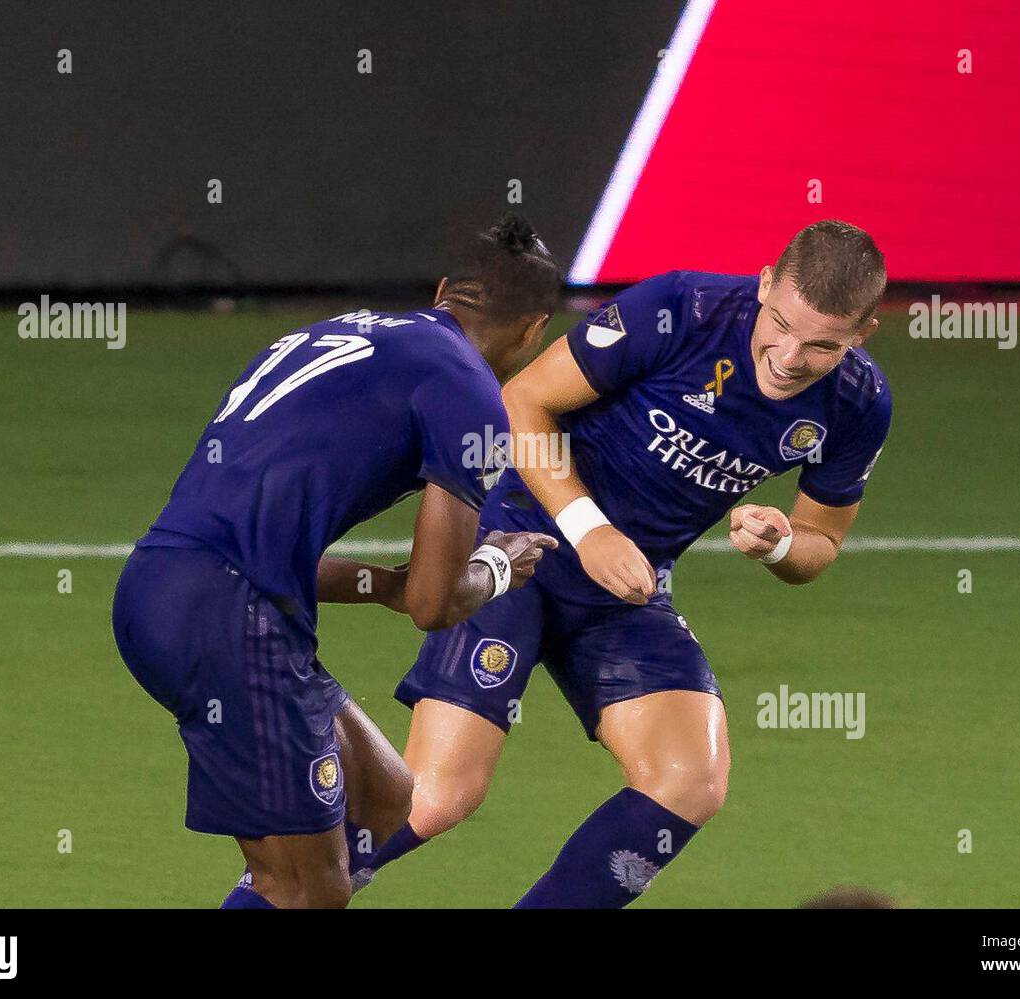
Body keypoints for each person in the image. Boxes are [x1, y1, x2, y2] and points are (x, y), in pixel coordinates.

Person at [378, 219, 893, 907]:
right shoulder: (683, 309)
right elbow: (524, 400)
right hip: (518, 539)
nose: (790, 357)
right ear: (765, 283)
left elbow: (818, 544)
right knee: (441, 793)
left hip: (627, 583)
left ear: (863, 334)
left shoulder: (858, 405)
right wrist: (587, 528)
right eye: (780, 324)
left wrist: (778, 544)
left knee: (691, 778)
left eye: (822, 344)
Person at [111, 214, 561, 908]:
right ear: (534, 330)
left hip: (161, 584)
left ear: (443, 291)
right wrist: (499, 564)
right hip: (233, 617)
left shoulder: (334, 334)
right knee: (307, 891)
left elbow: (250, 530)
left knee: (381, 796)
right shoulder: (470, 394)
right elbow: (434, 606)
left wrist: (380, 583)